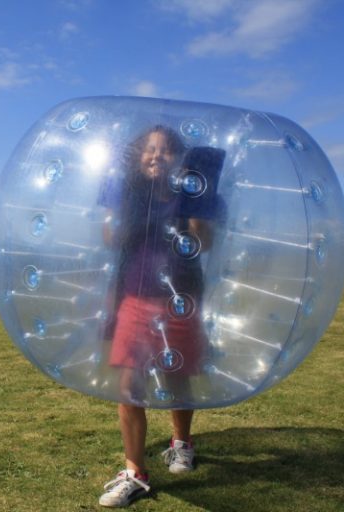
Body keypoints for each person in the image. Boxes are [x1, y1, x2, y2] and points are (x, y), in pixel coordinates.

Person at [98, 125, 225, 508]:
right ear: (138, 157)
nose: (156, 155)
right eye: (149, 149)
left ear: (180, 159)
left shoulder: (192, 197)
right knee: (128, 385)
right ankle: (135, 472)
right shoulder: (132, 196)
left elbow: (204, 245)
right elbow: (110, 240)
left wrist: (196, 216)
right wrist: (117, 214)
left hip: (180, 299)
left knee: (178, 376)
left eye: (167, 150)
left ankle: (181, 445)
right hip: (135, 299)